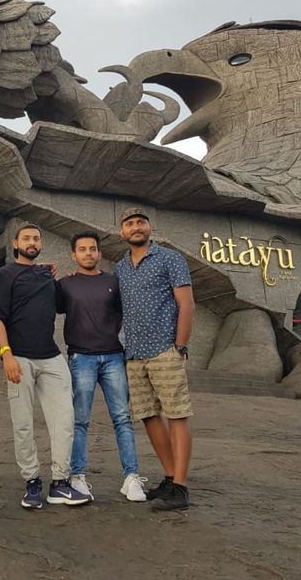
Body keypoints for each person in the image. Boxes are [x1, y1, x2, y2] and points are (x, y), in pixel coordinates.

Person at [0, 223, 91, 509]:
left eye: (36, 238)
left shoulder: (48, 277)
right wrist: (5, 354)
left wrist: (69, 278)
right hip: (18, 357)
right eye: (27, 238)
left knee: (64, 420)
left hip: (52, 358)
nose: (32, 242)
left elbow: (61, 304)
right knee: (22, 423)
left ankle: (60, 483)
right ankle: (31, 482)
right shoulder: (4, 275)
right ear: (15, 242)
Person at [114, 207, 195, 511]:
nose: (135, 227)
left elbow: (186, 304)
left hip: (165, 349)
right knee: (148, 415)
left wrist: (181, 345)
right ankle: (170, 477)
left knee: (176, 414)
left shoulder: (170, 258)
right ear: (122, 231)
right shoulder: (120, 268)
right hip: (134, 354)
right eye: (129, 224)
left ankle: (182, 486)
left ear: (149, 227)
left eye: (140, 222)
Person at [57, 231, 147, 502]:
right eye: (82, 249)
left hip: (112, 357)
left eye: (92, 249)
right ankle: (78, 476)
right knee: (80, 420)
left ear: (98, 253)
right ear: (73, 255)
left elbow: (119, 315)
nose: (88, 253)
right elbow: (56, 310)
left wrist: (106, 336)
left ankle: (131, 478)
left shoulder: (113, 282)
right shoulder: (64, 285)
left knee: (122, 417)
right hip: (80, 357)